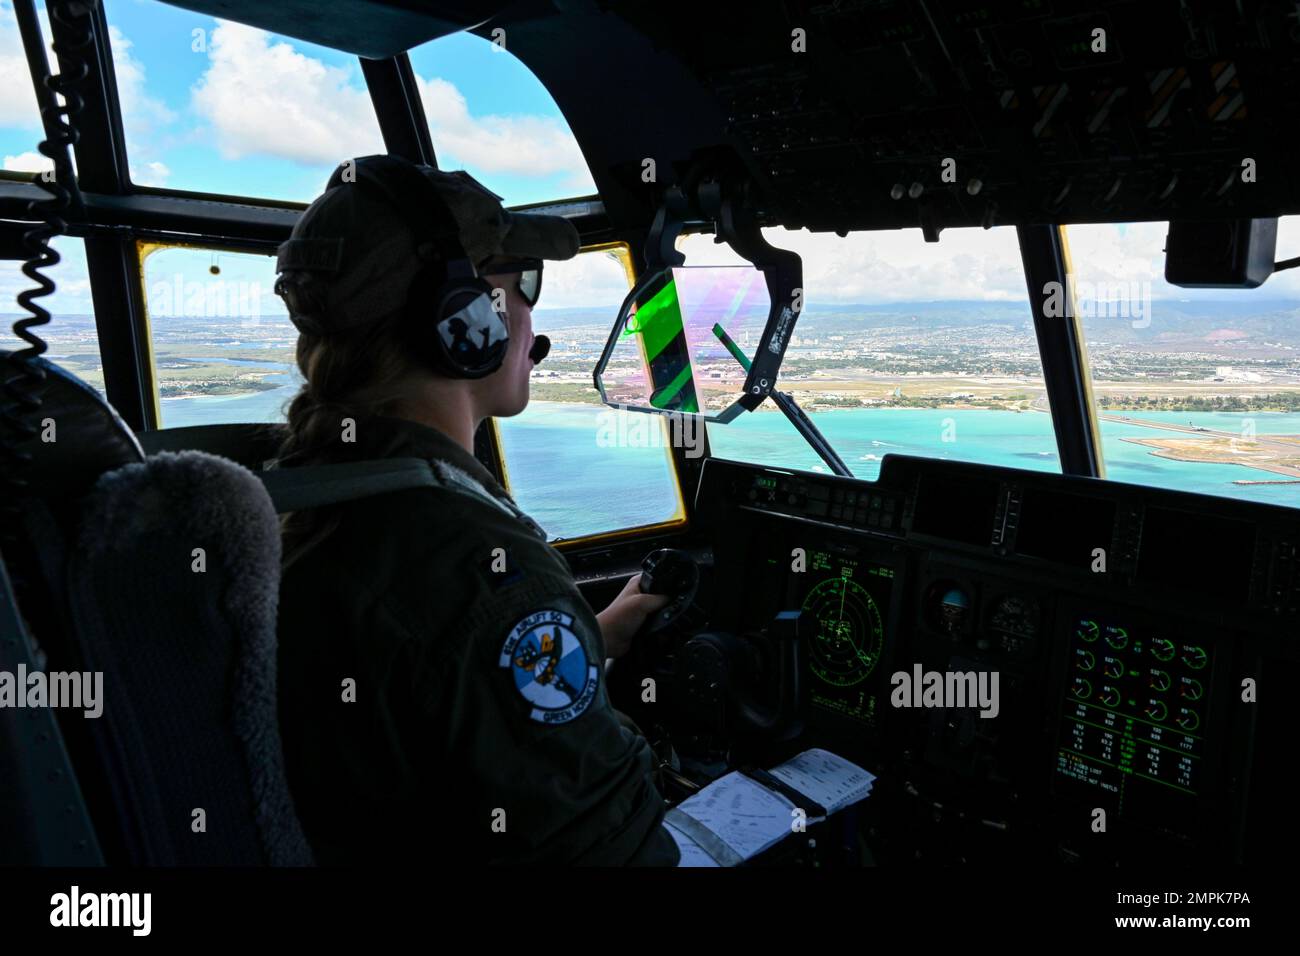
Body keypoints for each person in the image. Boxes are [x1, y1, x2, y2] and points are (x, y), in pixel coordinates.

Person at [270, 155, 680, 865]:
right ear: (463, 318)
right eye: (524, 282)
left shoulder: (305, 489)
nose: (531, 316)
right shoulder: (474, 568)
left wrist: (589, 636)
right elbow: (620, 852)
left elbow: (432, 670)